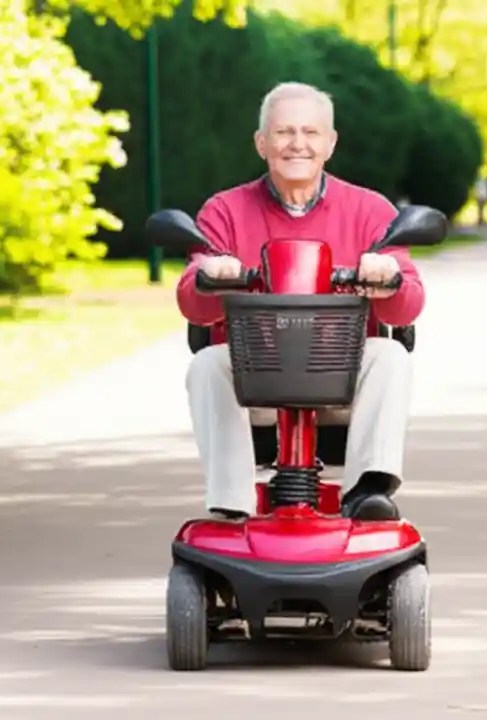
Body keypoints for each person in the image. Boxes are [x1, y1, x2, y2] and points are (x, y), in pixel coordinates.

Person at [175, 81, 427, 523]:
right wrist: (211, 278)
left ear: (330, 143)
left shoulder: (371, 211)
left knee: (390, 355)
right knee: (205, 364)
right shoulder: (224, 211)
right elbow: (192, 301)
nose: (297, 144)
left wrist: (387, 279)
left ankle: (368, 489)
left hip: (339, 370)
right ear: (261, 143)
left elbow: (406, 306)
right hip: (255, 371)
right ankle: (232, 505)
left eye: (310, 133)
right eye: (283, 132)